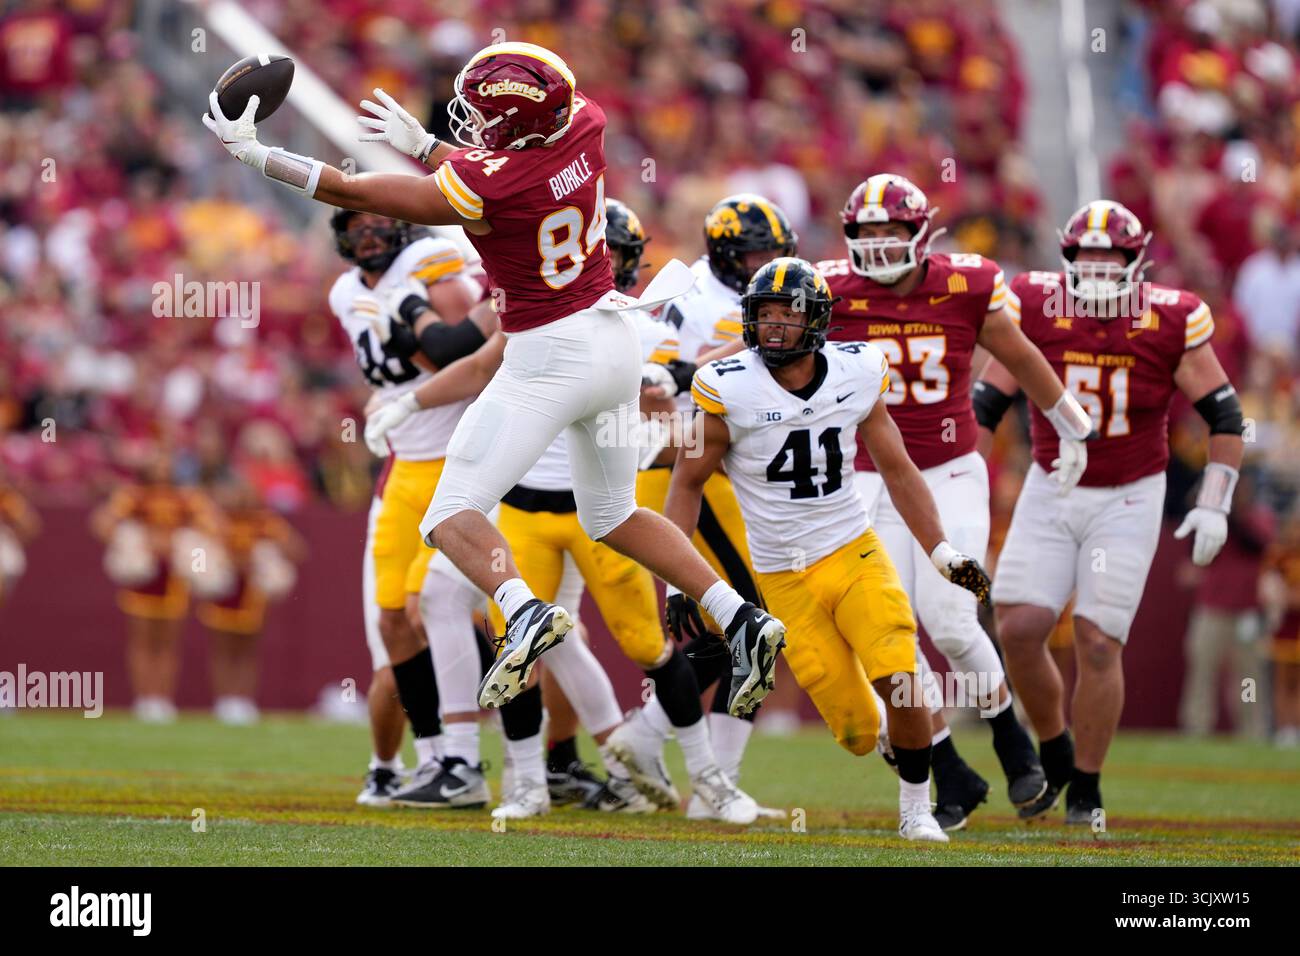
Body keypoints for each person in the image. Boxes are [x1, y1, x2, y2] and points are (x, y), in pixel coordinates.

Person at [203, 41, 784, 750]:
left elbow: (354, 191)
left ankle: (522, 609)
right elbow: (495, 169)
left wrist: (254, 152)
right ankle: (740, 614)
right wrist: (426, 146)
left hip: (548, 353)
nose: (472, 126)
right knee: (615, 514)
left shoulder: (490, 180)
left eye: (483, 118)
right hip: (613, 341)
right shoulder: (585, 123)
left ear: (510, 127)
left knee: (449, 515)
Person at [667, 256, 994, 842]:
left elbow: (897, 468)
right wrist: (676, 581)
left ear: (815, 320)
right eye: (762, 314)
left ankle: (917, 812)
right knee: (856, 732)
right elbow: (686, 482)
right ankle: (898, 747)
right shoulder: (726, 386)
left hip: (853, 550)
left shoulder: (858, 371)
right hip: (783, 578)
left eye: (786, 314)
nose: (772, 326)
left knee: (900, 674)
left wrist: (940, 552)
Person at [817, 173, 1093, 828]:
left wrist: (1072, 422)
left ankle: (1008, 736)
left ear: (922, 234)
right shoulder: (829, 290)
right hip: (866, 476)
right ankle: (946, 765)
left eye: (892, 232)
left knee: (949, 617)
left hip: (948, 471)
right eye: (869, 233)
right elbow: (763, 348)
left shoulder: (967, 282)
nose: (880, 246)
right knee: (887, 627)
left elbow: (1021, 358)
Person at [977, 199, 1245, 823]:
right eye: (1087, 257)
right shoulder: (1035, 304)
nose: (1097, 270)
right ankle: (1054, 744)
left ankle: (1087, 791)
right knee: (1016, 629)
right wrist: (966, 485)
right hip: (1052, 484)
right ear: (1066, 259)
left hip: (1129, 492)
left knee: (1098, 643)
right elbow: (987, 402)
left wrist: (1214, 503)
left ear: (1136, 262)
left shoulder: (1170, 318)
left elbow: (1226, 417)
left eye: (1111, 258)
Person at [326, 208, 491, 806]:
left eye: (377, 222)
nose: (367, 235)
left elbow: (466, 359)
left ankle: (470, 755)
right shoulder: (344, 291)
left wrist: (408, 333)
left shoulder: (430, 264)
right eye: (354, 225)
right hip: (403, 466)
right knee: (392, 618)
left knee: (430, 607)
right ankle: (432, 760)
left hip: (460, 456)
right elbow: (390, 373)